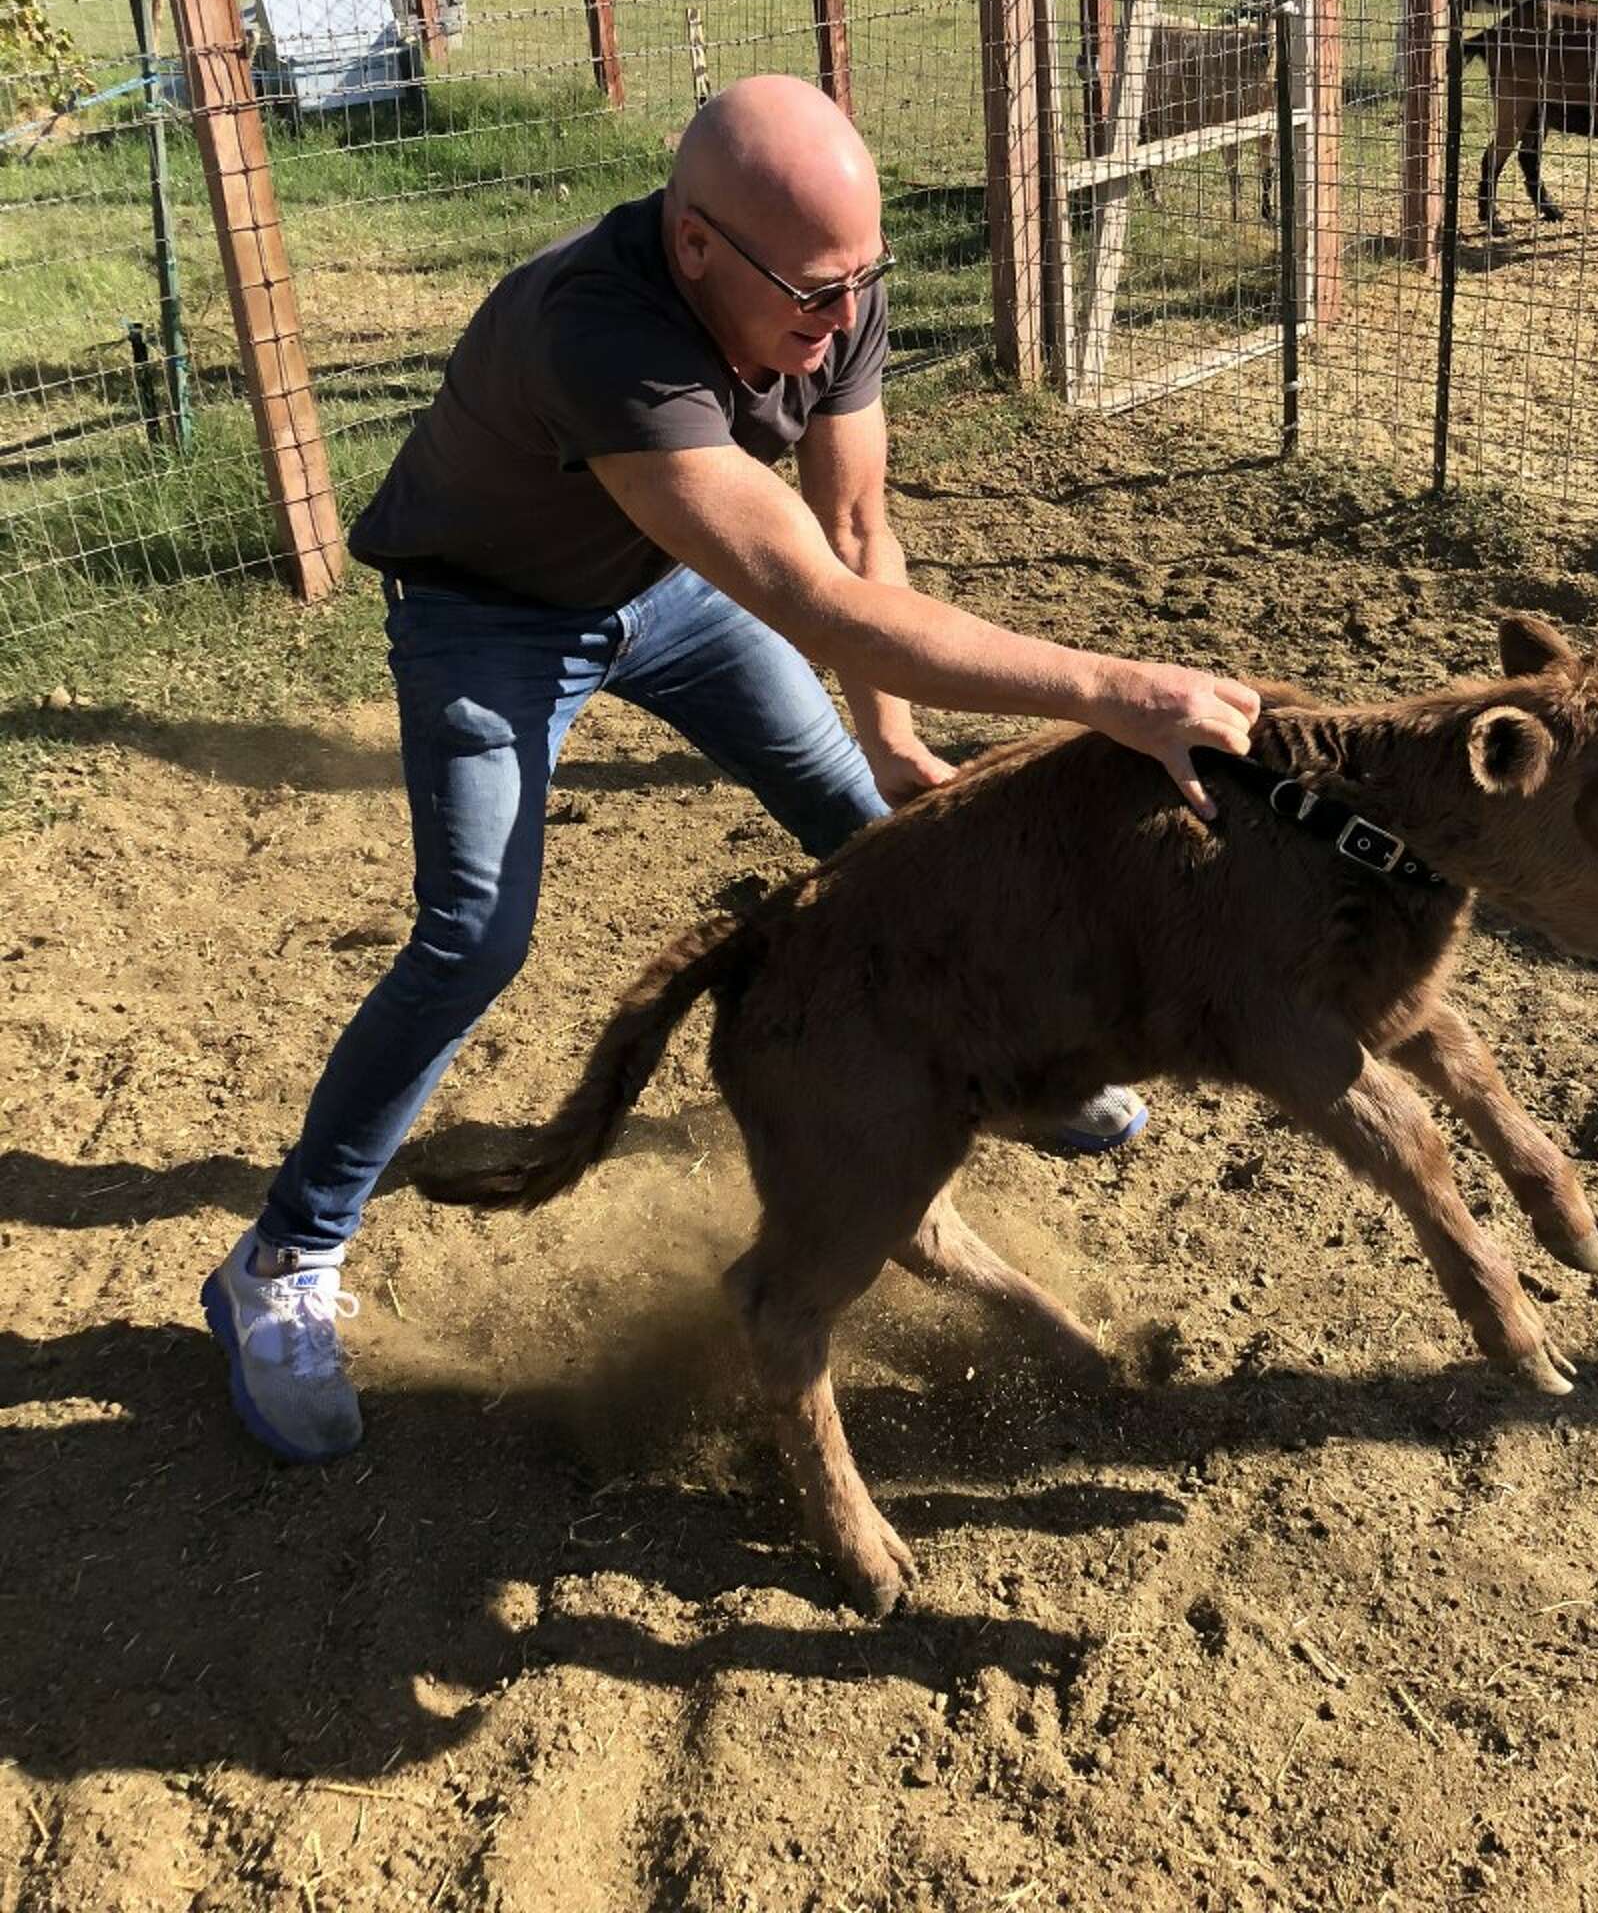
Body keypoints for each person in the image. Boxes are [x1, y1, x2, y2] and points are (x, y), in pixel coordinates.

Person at [202, 76, 1259, 1462]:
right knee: (477, 933)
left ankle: (997, 1074)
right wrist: (1121, 691)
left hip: (667, 592)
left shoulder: (832, 280)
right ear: (697, 243)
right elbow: (819, 603)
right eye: (814, 292)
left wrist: (885, 737)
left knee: (862, 822)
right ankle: (283, 1256)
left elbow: (860, 525)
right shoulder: (601, 328)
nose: (839, 322)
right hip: (492, 616)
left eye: (857, 284)